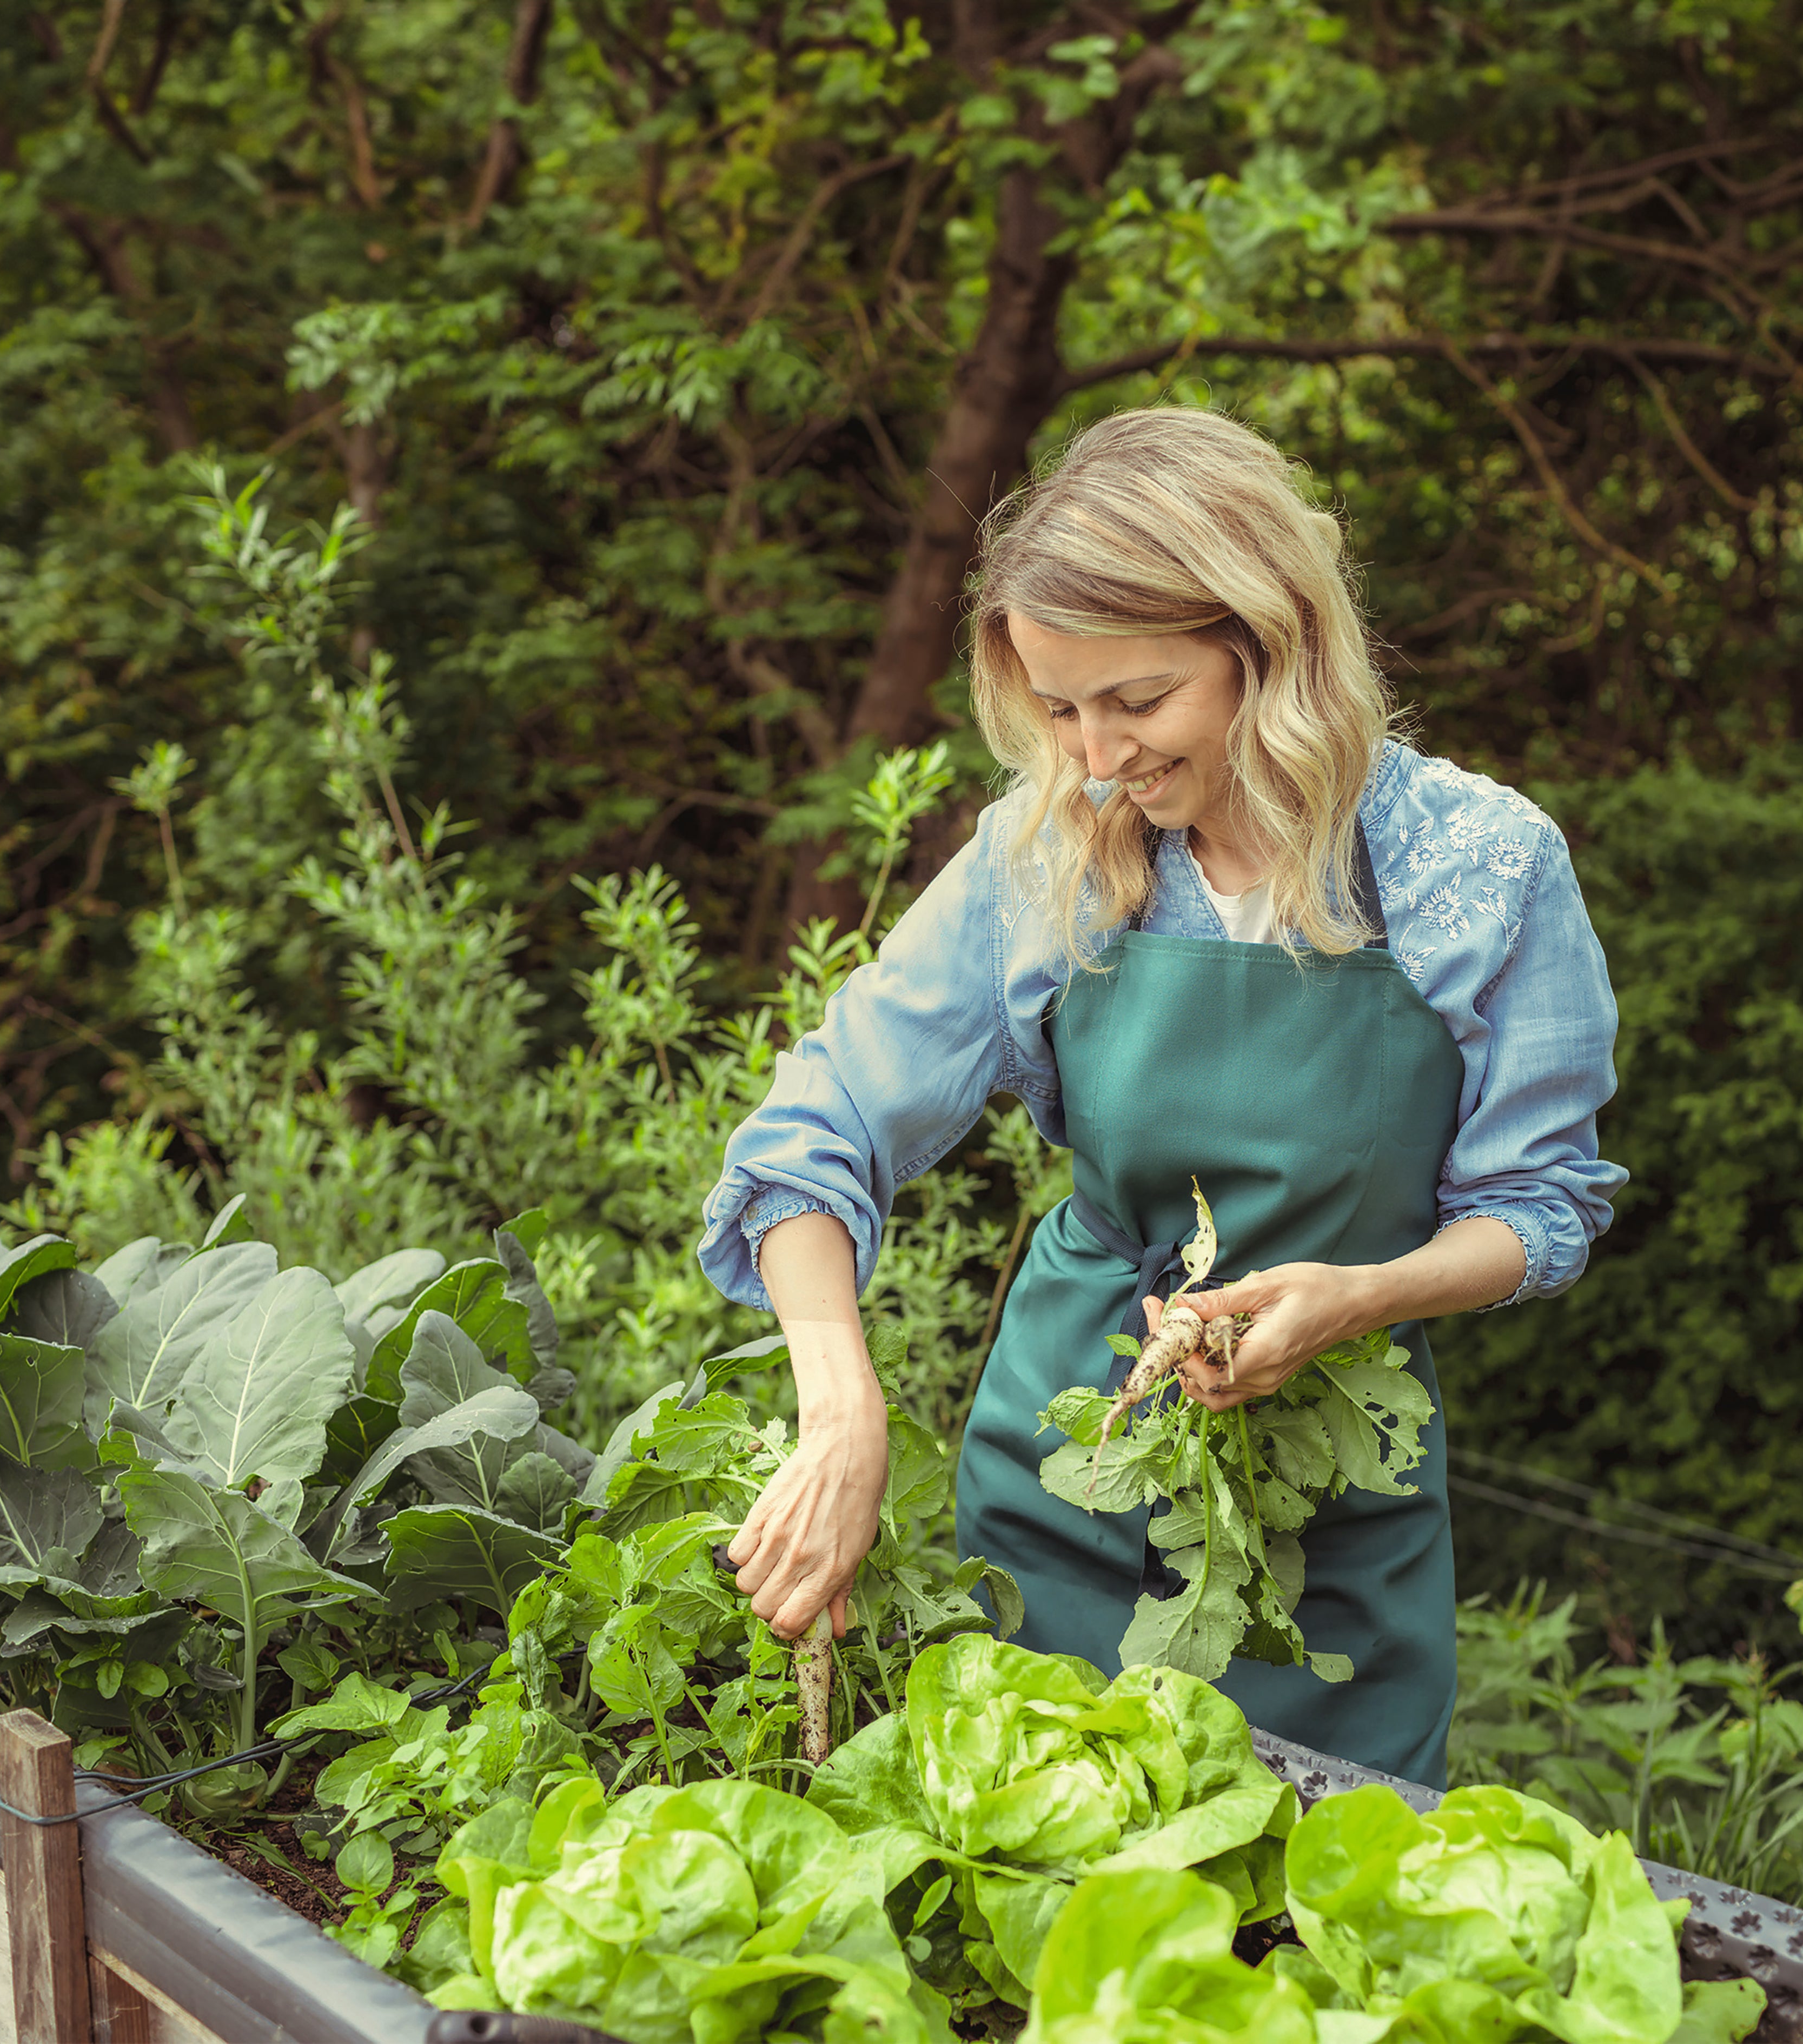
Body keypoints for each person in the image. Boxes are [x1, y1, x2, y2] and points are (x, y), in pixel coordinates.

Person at [694, 406, 1623, 1787]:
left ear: (1273, 649)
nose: (1095, 757)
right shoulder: (1047, 855)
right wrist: (839, 1407)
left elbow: (1538, 1206)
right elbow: (816, 1136)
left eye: (1137, 703)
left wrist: (1359, 1296)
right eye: (1058, 708)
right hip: (1065, 1475)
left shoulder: (1475, 866)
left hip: (1336, 1508)